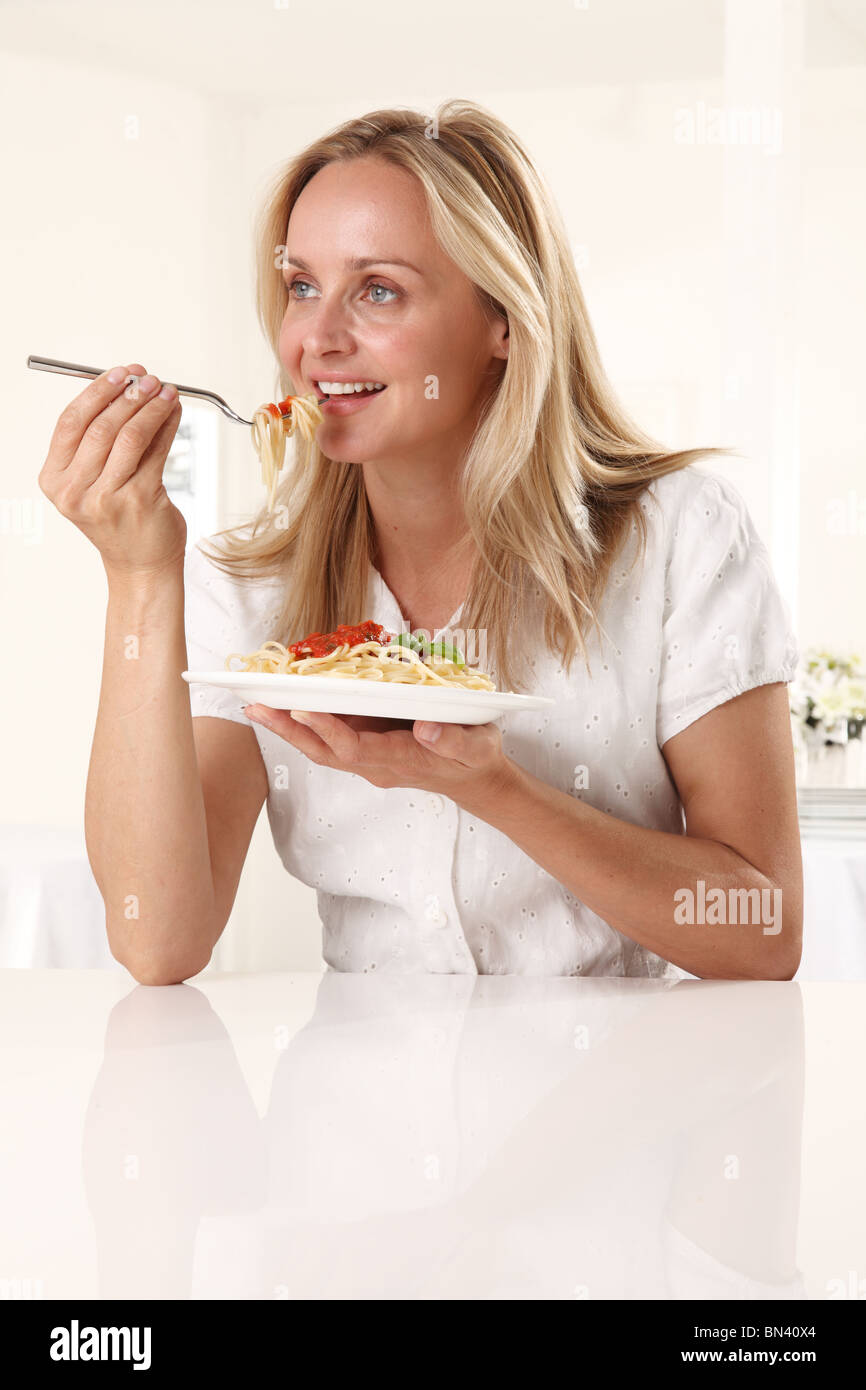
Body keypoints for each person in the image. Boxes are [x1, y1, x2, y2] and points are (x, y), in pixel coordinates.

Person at [39, 100, 802, 984]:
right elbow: (158, 940)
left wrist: (492, 788)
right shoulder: (243, 585)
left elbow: (764, 927)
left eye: (378, 290)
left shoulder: (679, 537)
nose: (316, 342)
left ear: (504, 321)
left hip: (616, 1102)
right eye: (301, 285)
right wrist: (138, 575)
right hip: (346, 1108)